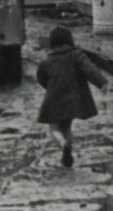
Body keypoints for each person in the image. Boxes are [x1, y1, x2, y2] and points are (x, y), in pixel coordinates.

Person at [35, 25, 106, 168]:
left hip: (54, 100)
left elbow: (41, 78)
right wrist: (101, 83)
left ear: (52, 44)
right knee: (67, 126)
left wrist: (50, 88)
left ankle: (62, 144)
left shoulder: (46, 62)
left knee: (54, 126)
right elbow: (89, 69)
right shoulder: (77, 55)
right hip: (72, 100)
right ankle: (68, 149)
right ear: (70, 41)